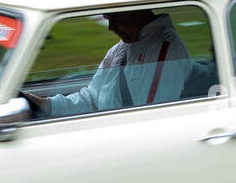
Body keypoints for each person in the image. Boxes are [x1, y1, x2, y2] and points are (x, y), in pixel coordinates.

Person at [24, 9, 190, 119]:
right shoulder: (119, 50)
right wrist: (45, 104)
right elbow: (92, 98)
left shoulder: (166, 50)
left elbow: (148, 119)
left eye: (113, 18)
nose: (110, 27)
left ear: (135, 9)